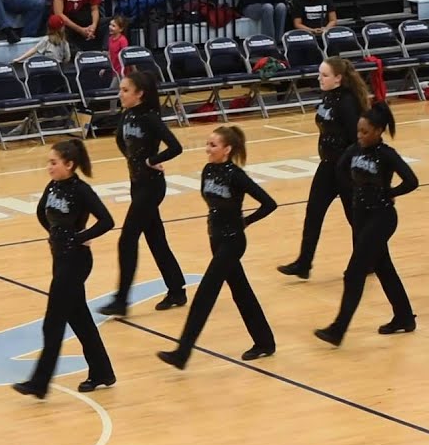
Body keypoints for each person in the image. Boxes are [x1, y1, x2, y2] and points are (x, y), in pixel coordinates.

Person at [158, 125, 277, 368]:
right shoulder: (208, 170)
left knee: (205, 294)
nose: (207, 149)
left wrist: (245, 222)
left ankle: (182, 352)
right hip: (216, 238)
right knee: (241, 292)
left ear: (227, 149)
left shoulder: (236, 175)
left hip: (233, 242)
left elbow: (269, 203)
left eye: (213, 145)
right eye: (208, 144)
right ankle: (265, 342)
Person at [13, 140, 118, 399]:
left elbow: (107, 221)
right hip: (59, 259)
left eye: (53, 162)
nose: (49, 167)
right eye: (49, 162)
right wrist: (55, 235)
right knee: (79, 318)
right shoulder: (53, 186)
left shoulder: (82, 191)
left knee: (53, 322)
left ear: (69, 165)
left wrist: (80, 237)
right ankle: (102, 371)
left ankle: (39, 382)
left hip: (77, 262)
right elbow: (41, 212)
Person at [313, 101, 419, 345]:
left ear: (379, 131)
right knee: (384, 268)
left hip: (382, 217)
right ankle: (404, 316)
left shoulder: (387, 155)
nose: (360, 136)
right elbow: (339, 170)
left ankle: (338, 329)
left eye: (365, 132)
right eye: (358, 131)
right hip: (361, 216)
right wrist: (354, 191)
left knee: (354, 272)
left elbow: (412, 181)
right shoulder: (353, 151)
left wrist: (389, 192)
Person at [99, 70, 188, 316]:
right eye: (121, 89)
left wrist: (151, 160)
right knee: (156, 239)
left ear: (140, 94)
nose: (121, 93)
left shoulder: (150, 118)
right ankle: (177, 290)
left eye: (126, 90)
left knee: (127, 239)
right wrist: (133, 161)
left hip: (151, 186)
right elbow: (119, 140)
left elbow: (176, 147)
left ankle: (121, 299)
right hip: (136, 184)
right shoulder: (127, 115)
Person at [278, 57, 367, 280]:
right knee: (313, 214)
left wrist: (348, 165)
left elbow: (357, 139)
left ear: (338, 78)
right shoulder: (327, 97)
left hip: (346, 170)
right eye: (320, 74)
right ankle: (304, 263)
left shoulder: (348, 102)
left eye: (324, 75)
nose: (320, 78)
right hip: (327, 167)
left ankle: (365, 261)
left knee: (355, 219)